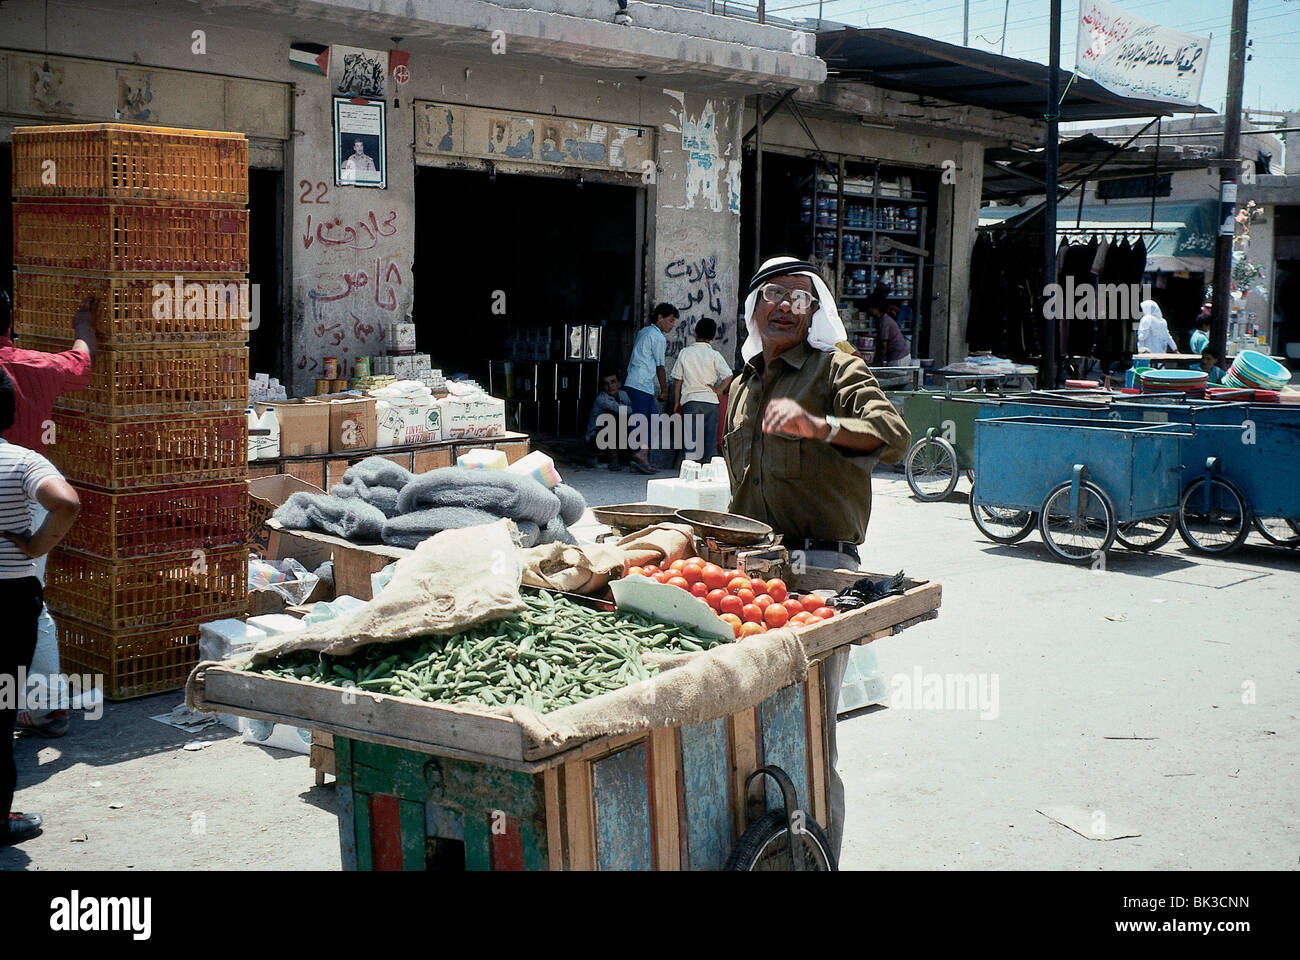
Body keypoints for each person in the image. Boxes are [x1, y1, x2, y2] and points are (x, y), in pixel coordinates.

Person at [723, 256, 911, 861]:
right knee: (743, 725)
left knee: (810, 730)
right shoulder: (742, 384)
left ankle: (820, 853)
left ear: (816, 313)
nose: (784, 305)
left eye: (800, 299)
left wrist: (820, 426)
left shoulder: (836, 367)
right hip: (749, 579)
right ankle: (762, 850)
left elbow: (892, 433)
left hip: (821, 572)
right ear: (753, 308)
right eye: (772, 294)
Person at [0, 290, 96, 738]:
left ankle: (41, 706)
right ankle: (45, 706)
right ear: (10, 319)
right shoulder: (33, 366)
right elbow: (80, 365)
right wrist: (82, 328)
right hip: (28, 501)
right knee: (30, 602)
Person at [0, 368, 81, 846]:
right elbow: (66, 504)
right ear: (10, 413)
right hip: (9, 602)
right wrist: (33, 546)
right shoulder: (23, 462)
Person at [623, 303, 678, 474]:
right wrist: (665, 390)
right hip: (641, 384)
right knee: (647, 422)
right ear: (660, 318)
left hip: (635, 382)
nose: (672, 325)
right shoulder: (658, 337)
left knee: (649, 421)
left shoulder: (643, 332)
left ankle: (639, 457)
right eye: (670, 320)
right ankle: (641, 456)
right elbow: (660, 367)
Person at [671, 317, 733, 462]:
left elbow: (677, 380)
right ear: (713, 337)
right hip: (710, 402)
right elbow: (728, 375)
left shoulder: (685, 353)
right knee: (709, 442)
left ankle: (692, 474)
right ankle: (707, 476)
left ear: (695, 333)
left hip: (691, 401)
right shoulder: (714, 355)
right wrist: (718, 390)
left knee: (691, 442)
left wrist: (677, 402)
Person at [584, 371, 632, 470]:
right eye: (606, 383)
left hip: (615, 435)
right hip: (596, 439)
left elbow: (632, 411)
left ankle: (633, 456)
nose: (610, 386)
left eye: (613, 382)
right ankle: (613, 457)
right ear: (602, 386)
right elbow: (626, 410)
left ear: (619, 383)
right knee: (610, 417)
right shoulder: (602, 399)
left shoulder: (623, 394)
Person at [867, 288, 911, 366]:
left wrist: (878, 362)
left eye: (870, 307)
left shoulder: (884, 322)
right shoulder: (883, 319)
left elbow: (883, 345)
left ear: (876, 308)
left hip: (898, 357)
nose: (869, 310)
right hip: (901, 355)